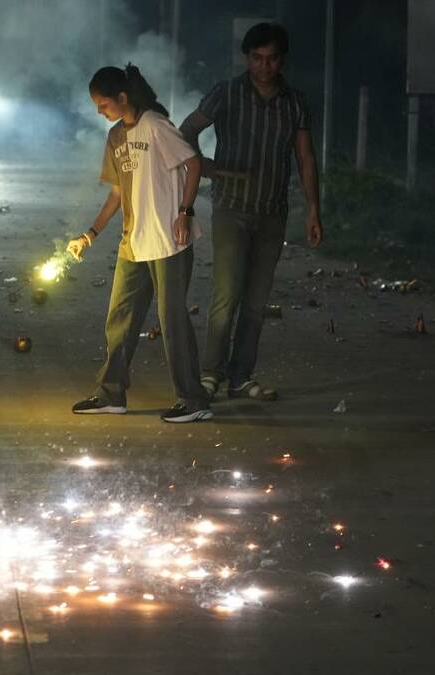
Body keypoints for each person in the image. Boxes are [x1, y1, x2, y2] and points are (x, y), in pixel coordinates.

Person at [179, 23, 324, 402]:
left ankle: (241, 377)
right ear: (247, 59)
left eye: (272, 58)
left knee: (257, 303)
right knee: (226, 297)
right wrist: (205, 166)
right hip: (231, 209)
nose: (264, 66)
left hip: (272, 212)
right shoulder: (226, 94)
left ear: (282, 60)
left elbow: (306, 158)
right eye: (257, 58)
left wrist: (312, 209)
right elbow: (185, 132)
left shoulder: (295, 101)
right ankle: (211, 373)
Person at [65, 65, 212, 424]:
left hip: (169, 241)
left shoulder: (157, 126)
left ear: (122, 97)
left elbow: (193, 163)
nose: (100, 112)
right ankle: (111, 394)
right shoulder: (116, 137)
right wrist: (90, 234)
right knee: (120, 318)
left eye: (103, 105)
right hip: (134, 241)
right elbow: (118, 191)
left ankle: (193, 400)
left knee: (172, 320)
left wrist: (185, 211)